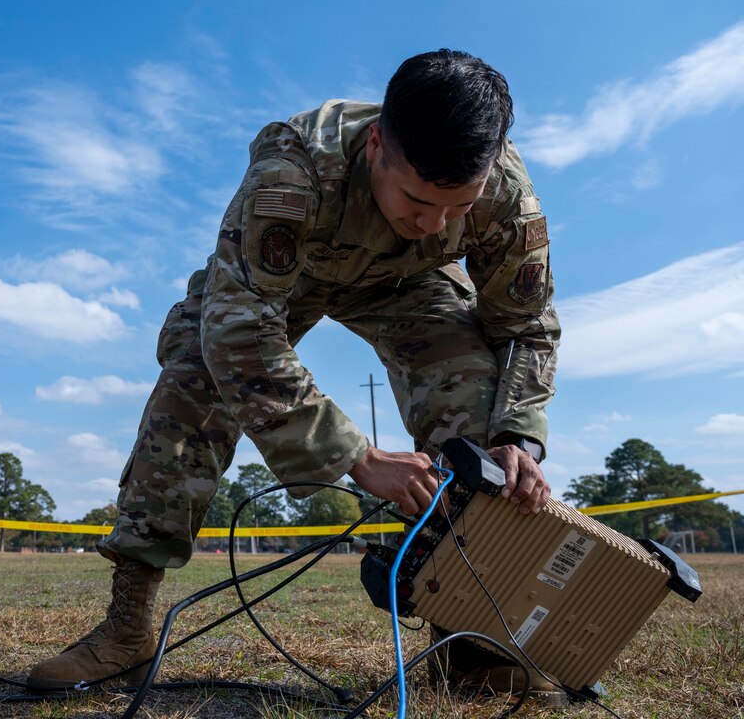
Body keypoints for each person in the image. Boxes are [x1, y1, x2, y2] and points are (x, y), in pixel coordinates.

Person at [28, 50, 561, 697]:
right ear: (375, 147)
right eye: (418, 200)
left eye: (457, 209)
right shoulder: (296, 169)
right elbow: (241, 331)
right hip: (288, 279)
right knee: (195, 381)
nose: (434, 223)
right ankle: (127, 630)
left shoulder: (506, 193)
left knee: (478, 408)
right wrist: (355, 456)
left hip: (409, 286)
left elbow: (524, 327)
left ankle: (470, 647)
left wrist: (517, 438)